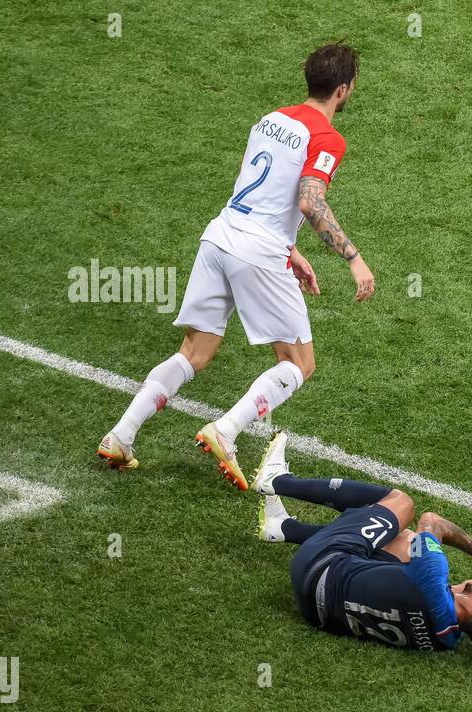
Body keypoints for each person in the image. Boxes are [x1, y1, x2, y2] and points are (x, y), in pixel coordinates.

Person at [97, 41, 376, 489]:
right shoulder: (327, 137)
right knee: (298, 363)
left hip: (222, 236)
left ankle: (121, 435)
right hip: (257, 252)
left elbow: (261, 194)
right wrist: (354, 259)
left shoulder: (270, 120)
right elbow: (309, 200)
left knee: (194, 352)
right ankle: (225, 431)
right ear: (342, 90)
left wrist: (291, 251)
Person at [251, 432, 472, 655]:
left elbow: (433, 522)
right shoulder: (446, 640)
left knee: (402, 507)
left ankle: (277, 481)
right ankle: (285, 528)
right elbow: (446, 595)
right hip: (315, 611)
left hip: (318, 563)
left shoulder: (430, 577)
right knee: (405, 547)